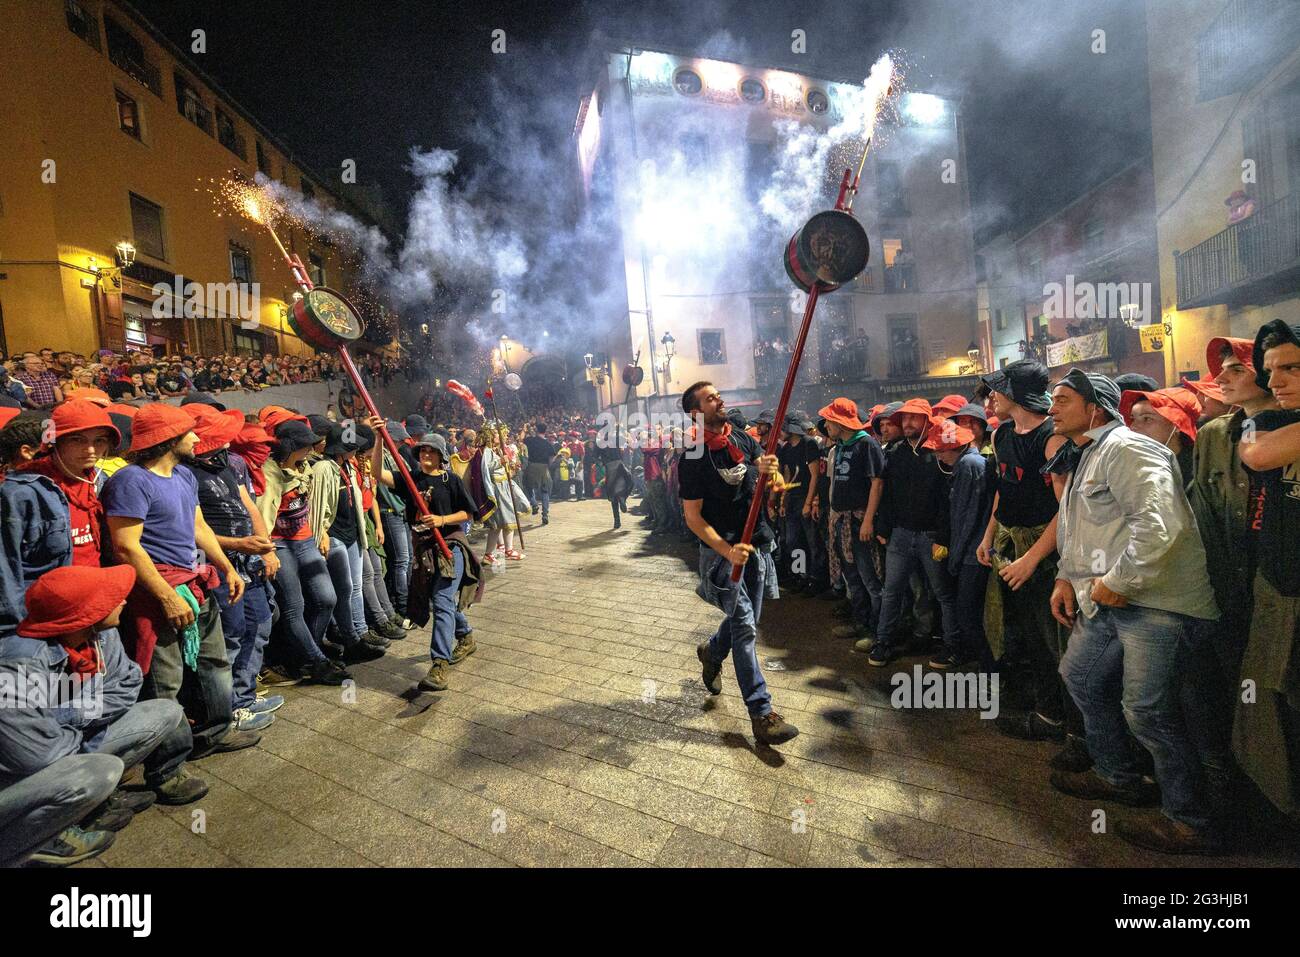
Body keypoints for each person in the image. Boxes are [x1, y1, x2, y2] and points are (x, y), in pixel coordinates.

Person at [1049, 368, 1221, 854]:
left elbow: (1159, 525)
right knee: (1079, 676)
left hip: (1156, 601)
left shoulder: (1128, 448)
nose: (1052, 407)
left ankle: (1190, 820)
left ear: (1095, 409)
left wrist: (1117, 581)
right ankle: (1119, 775)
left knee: (1146, 708)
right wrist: (1066, 576)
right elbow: (1083, 528)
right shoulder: (1090, 453)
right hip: (1113, 597)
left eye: (1063, 399)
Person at [102, 403, 257, 801]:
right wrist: (167, 596)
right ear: (167, 439)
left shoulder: (184, 475)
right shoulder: (129, 482)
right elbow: (125, 547)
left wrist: (226, 567)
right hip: (158, 593)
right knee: (164, 682)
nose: (196, 438)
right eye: (188, 432)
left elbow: (198, 526)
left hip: (195, 583)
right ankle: (166, 769)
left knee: (213, 662)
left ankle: (215, 730)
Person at [0, 565, 192, 865]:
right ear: (82, 615)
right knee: (99, 773)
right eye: (110, 598)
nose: (123, 601)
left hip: (66, 738)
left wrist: (67, 716)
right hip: (18, 778)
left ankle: (75, 811)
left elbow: (128, 683)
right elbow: (35, 756)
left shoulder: (100, 634)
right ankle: (32, 842)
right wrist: (84, 719)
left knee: (165, 712)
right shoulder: (17, 664)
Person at [678, 381, 799, 746]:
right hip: (722, 554)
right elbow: (692, 517)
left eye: (718, 395)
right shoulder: (693, 456)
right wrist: (726, 550)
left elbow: (769, 477)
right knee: (745, 625)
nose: (720, 400)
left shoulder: (744, 440)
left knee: (744, 621)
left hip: (757, 544)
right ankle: (762, 713)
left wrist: (772, 473)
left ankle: (712, 652)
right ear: (697, 412)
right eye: (711, 398)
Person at [1186, 335, 1277, 817]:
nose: (1220, 379)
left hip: (1279, 593)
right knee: (1217, 692)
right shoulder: (1214, 435)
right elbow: (1200, 512)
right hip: (1227, 593)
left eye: (1235, 370)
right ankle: (1230, 804)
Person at [974, 361, 1078, 762]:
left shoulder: (1051, 439)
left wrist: (1033, 558)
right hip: (1010, 547)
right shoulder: (1001, 434)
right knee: (1023, 635)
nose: (991, 399)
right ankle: (1044, 711)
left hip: (1043, 551)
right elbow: (1005, 489)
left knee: (1053, 640)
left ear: (1015, 394)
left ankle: (1066, 725)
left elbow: (1066, 507)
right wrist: (988, 537)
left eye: (996, 391)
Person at [1232, 319, 1300, 817]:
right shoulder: (1268, 422)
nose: (1275, 379)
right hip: (1279, 584)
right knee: (1273, 708)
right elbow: (1256, 453)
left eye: (1291, 367)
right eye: (1270, 369)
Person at [180, 403, 282, 732]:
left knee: (260, 622)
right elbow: (194, 531)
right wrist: (238, 546)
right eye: (219, 437)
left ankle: (244, 695)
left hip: (247, 560)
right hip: (214, 565)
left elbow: (249, 506)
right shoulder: (186, 474)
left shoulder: (230, 463)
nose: (228, 442)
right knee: (231, 635)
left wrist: (264, 547)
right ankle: (229, 709)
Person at [375, 429, 482, 693]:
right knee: (438, 598)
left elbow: (467, 513)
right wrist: (378, 438)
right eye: (422, 450)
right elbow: (378, 474)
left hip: (451, 546)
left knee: (443, 599)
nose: (425, 454)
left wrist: (441, 520)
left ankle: (439, 665)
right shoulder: (411, 480)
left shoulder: (450, 480)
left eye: (430, 451)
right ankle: (465, 635)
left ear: (440, 455)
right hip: (424, 550)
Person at [257, 419, 351, 685]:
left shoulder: (304, 469)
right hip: (281, 544)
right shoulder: (270, 473)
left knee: (326, 598)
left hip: (305, 539)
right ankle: (316, 661)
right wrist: (267, 550)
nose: (312, 449)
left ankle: (307, 651)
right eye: (306, 445)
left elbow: (309, 507)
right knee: (293, 607)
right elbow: (264, 516)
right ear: (292, 446)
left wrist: (320, 530)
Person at [868, 399, 959, 667]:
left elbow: (947, 500)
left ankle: (952, 646)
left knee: (943, 593)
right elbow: (887, 493)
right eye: (904, 418)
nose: (907, 423)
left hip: (930, 535)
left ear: (927, 421)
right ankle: (883, 642)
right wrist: (884, 527)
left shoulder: (938, 453)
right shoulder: (896, 453)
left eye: (914, 418)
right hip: (900, 534)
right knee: (892, 590)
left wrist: (942, 536)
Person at [308, 423, 389, 663]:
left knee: (353, 587)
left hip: (352, 533)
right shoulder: (324, 467)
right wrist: (321, 531)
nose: (356, 451)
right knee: (342, 590)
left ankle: (357, 633)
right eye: (351, 447)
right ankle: (351, 637)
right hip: (334, 536)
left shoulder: (347, 467)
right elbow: (319, 505)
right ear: (341, 448)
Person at [817, 399, 885, 645]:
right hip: (841, 521)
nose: (825, 425)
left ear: (839, 422)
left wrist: (867, 521)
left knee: (871, 580)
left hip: (858, 523)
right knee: (853, 578)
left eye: (828, 420)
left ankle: (877, 632)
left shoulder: (866, 444)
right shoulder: (842, 446)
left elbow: (877, 483)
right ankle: (860, 622)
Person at [928, 419, 994, 668]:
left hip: (971, 554)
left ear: (954, 447)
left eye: (940, 449)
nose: (937, 455)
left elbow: (966, 516)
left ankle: (990, 668)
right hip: (971, 550)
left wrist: (955, 556)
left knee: (968, 613)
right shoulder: (971, 462)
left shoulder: (968, 465)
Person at [523, 423, 557, 526]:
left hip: (532, 466)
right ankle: (545, 515)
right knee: (545, 491)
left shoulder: (530, 440)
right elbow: (551, 459)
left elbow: (521, 440)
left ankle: (534, 504)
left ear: (536, 430)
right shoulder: (548, 444)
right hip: (544, 467)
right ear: (545, 431)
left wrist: (525, 430)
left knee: (528, 487)